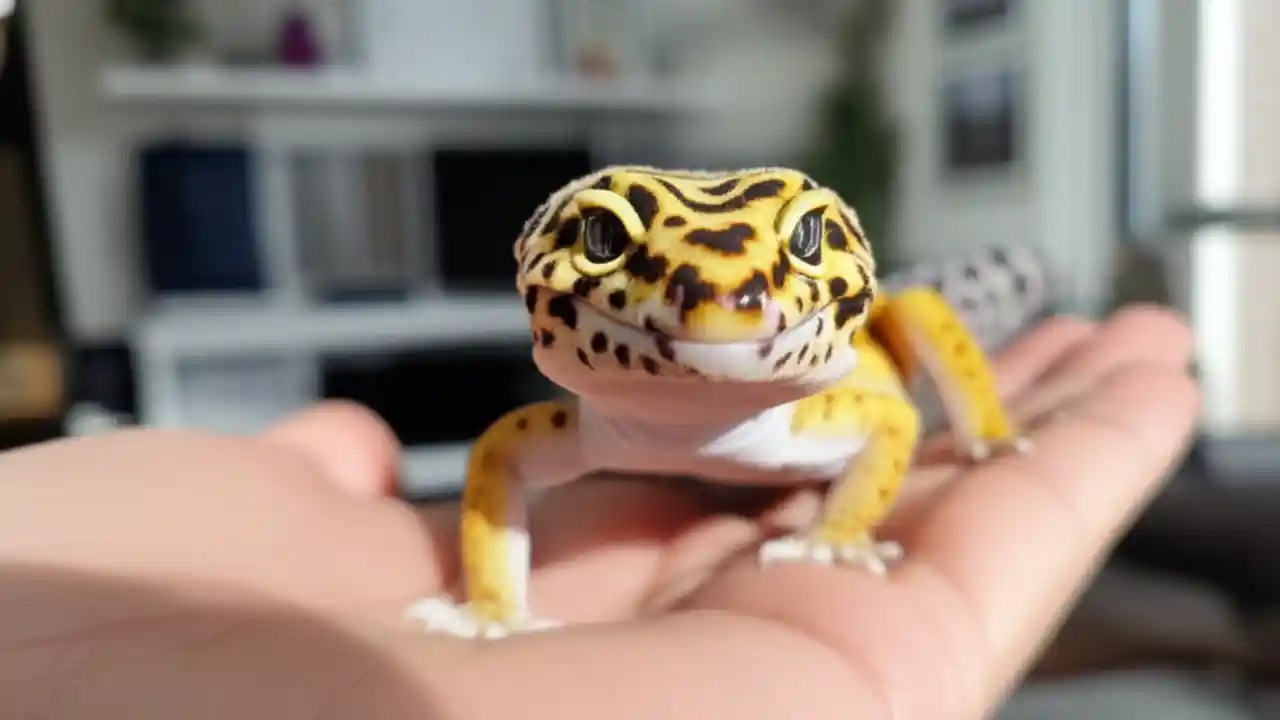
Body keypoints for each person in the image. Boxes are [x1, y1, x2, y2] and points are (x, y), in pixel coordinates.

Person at [0, 305, 1199, 719]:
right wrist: (491, 603)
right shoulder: (567, 428)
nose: (714, 317)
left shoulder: (843, 410)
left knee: (930, 309)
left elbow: (890, 426)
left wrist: (857, 516)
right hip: (670, 478)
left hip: (828, 410)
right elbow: (497, 473)